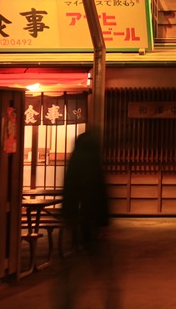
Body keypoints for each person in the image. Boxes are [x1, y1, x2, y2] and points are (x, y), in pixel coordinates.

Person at [57, 127, 119, 308]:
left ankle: (66, 300)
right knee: (101, 264)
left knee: (77, 261)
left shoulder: (75, 160)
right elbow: (101, 194)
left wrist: (67, 215)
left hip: (77, 219)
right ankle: (110, 301)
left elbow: (69, 189)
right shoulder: (93, 161)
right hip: (92, 220)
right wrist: (104, 222)